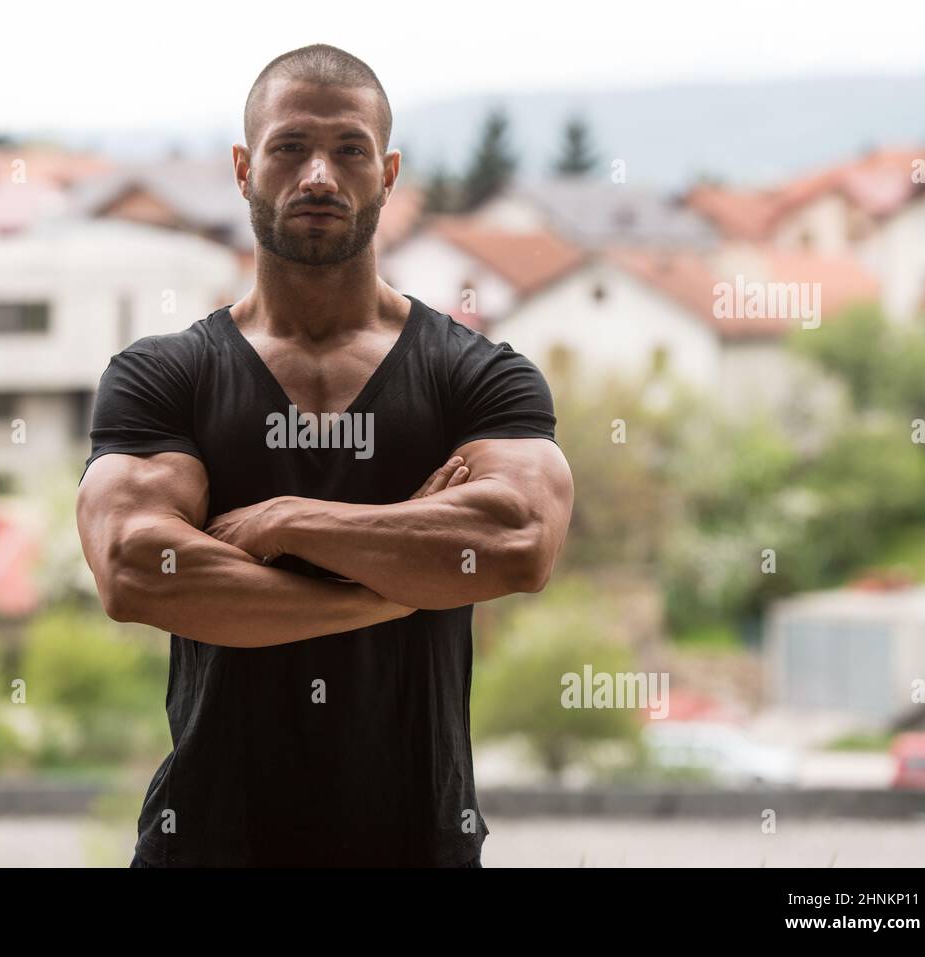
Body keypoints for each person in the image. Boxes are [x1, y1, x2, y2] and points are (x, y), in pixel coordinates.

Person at [76, 43, 574, 867]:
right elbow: (134, 567)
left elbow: (517, 542)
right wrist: (397, 585)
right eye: (289, 147)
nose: (317, 175)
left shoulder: (475, 374)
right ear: (243, 167)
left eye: (349, 150)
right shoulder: (166, 375)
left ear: (389, 172)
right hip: (208, 843)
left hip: (419, 843)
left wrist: (286, 519)